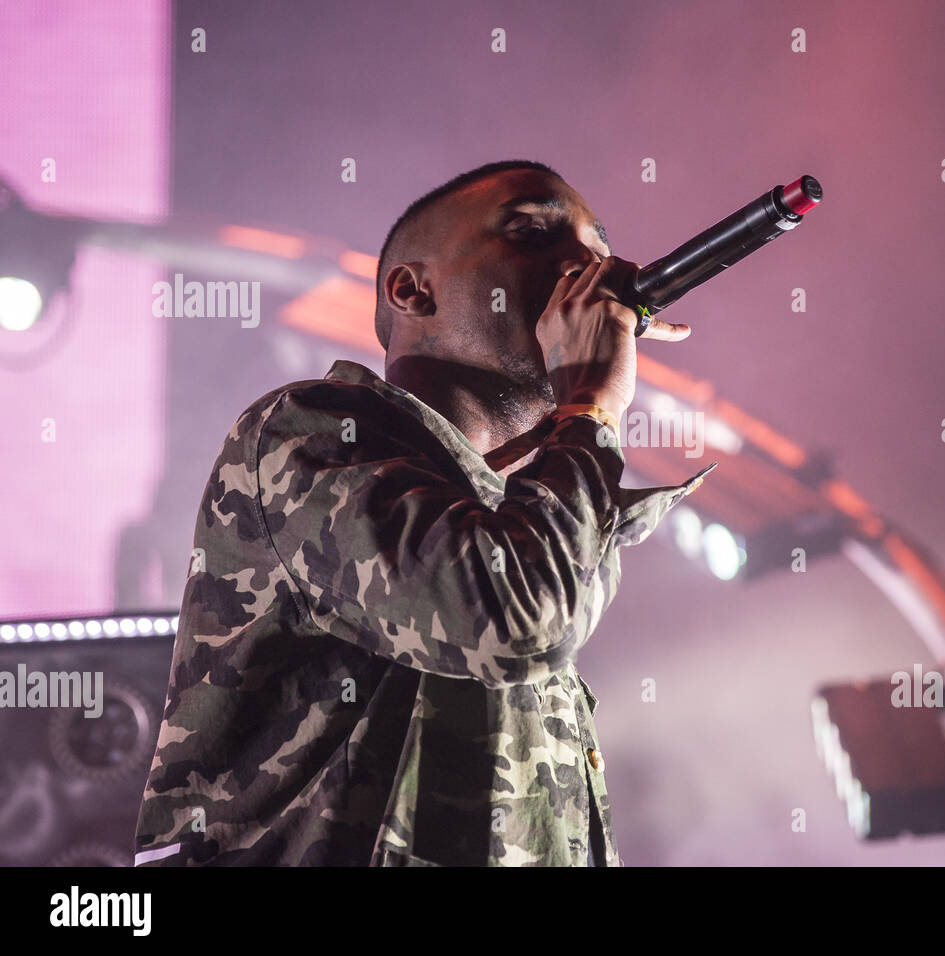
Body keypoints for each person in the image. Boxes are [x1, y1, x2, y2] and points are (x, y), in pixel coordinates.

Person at [133, 160, 712, 866]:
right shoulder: (311, 433)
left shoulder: (527, 512)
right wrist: (590, 404)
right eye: (532, 232)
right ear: (412, 289)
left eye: (596, 249)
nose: (587, 269)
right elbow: (514, 622)